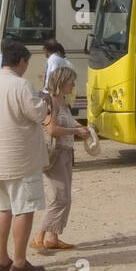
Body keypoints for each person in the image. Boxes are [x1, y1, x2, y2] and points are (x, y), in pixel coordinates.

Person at [0, 40, 48, 271]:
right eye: (26, 63)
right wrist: (45, 101)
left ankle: (1, 260)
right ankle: (19, 262)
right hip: (21, 159)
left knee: (3, 208)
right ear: (21, 62)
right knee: (24, 210)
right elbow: (38, 113)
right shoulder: (21, 85)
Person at [30, 62, 90, 252]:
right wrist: (76, 131)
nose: (73, 86)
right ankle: (39, 236)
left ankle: (52, 236)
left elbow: (65, 124)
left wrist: (80, 128)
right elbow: (52, 130)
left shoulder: (63, 101)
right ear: (62, 82)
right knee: (60, 197)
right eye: (71, 82)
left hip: (65, 152)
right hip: (55, 154)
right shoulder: (52, 102)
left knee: (65, 197)